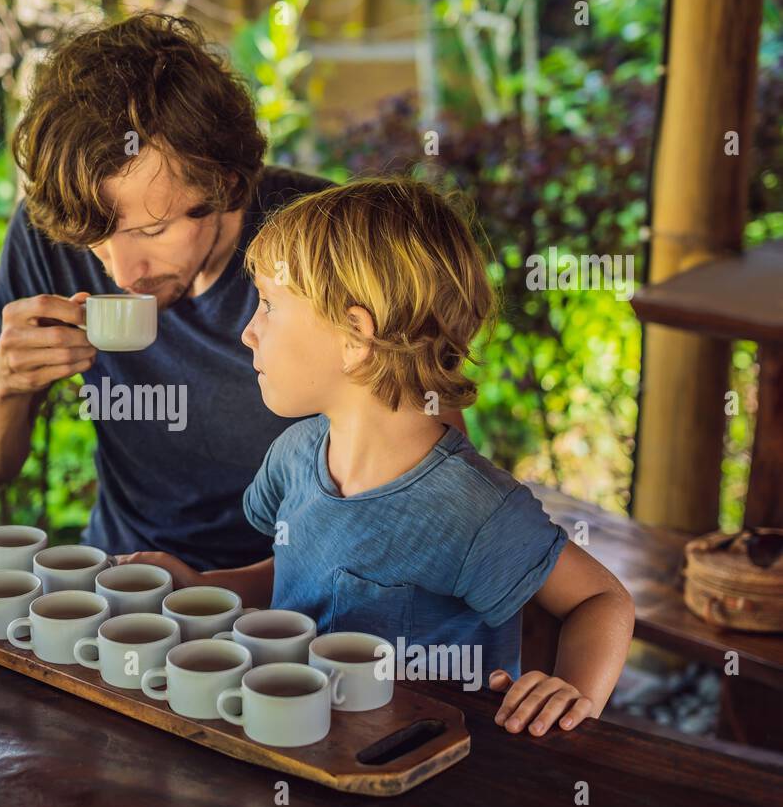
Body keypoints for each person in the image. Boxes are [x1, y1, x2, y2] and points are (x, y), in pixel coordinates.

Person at [0, 11, 464, 570]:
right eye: (97, 240)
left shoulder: (328, 249)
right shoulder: (54, 230)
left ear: (229, 184)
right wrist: (7, 383)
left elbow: (434, 488)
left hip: (307, 598)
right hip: (125, 586)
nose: (121, 273)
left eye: (152, 230)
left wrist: (218, 590)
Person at [120, 178, 636, 735]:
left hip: (426, 771)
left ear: (354, 336)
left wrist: (571, 696)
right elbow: (297, 582)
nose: (248, 332)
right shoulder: (294, 457)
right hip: (306, 744)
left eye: (269, 304)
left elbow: (602, 600)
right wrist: (199, 587)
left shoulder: (472, 508)